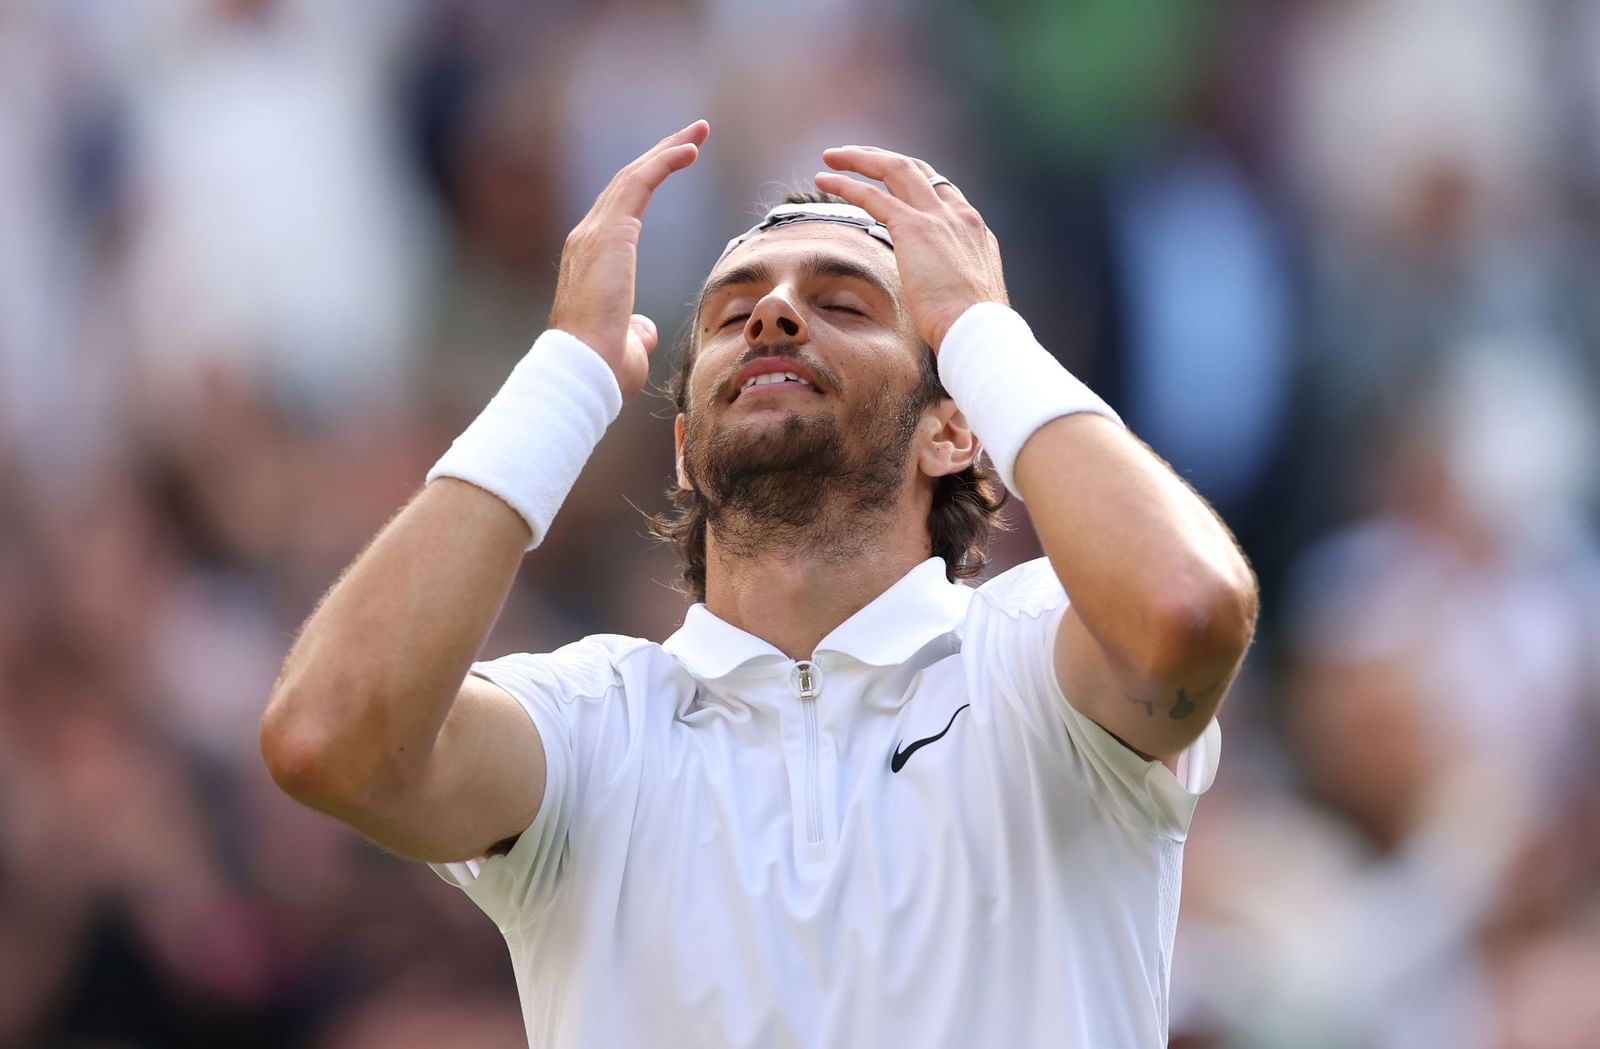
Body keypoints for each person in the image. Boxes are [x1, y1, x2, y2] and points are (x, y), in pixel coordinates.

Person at [260, 120, 1258, 1048]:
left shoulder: (1033, 657)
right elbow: (327, 740)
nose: (774, 314)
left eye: (842, 304)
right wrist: (563, 375)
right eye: (735, 312)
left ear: (953, 427)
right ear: (685, 448)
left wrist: (983, 331)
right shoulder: (586, 724)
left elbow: (1188, 607)